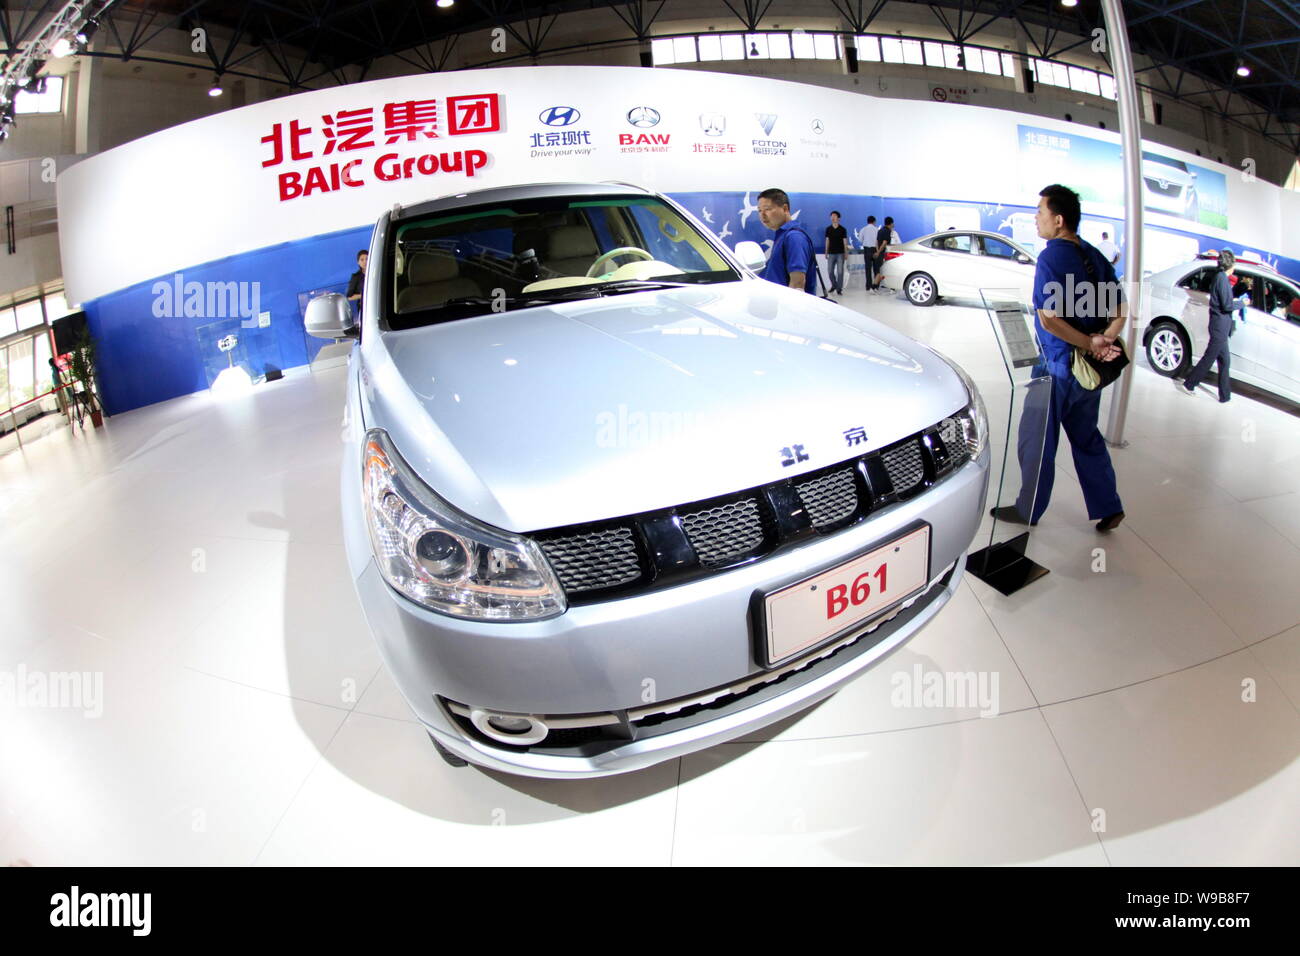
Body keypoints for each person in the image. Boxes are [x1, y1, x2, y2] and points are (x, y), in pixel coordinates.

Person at [991, 184, 1126, 533]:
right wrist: (1102, 340)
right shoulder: (1095, 256)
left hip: (1057, 367)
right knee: (1086, 437)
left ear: (1059, 219)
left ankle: (1028, 509)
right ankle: (1108, 505)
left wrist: (1085, 341)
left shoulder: (1051, 257)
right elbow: (1121, 309)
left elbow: (1049, 317)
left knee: (1036, 438)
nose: (1037, 219)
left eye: (1040, 212)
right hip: (1090, 373)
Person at [1177, 249, 1250, 403]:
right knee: (1209, 358)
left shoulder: (1221, 277)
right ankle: (1189, 384)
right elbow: (1227, 305)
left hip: (1221, 327)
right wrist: (1242, 303)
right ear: (1232, 264)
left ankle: (1225, 396)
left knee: (1225, 361)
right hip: (1219, 327)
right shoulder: (1222, 279)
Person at [756, 188, 817, 294]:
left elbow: (797, 284)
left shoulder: (794, 237)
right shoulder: (782, 235)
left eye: (767, 209)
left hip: (786, 307)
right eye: (759, 210)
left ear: (785, 209)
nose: (762, 215)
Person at [824, 211, 848, 295]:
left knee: (840, 272)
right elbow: (827, 241)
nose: (832, 217)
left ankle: (839, 288)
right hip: (831, 253)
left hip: (840, 253)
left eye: (834, 216)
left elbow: (845, 241)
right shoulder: (828, 229)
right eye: (831, 216)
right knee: (830, 271)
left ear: (838, 218)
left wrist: (846, 253)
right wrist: (826, 252)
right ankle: (834, 285)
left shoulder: (842, 229)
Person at [872, 216, 895, 292]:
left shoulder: (880, 230)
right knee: (881, 271)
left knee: (878, 271)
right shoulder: (887, 231)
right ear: (891, 223)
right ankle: (874, 287)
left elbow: (876, 242)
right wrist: (879, 252)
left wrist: (877, 251)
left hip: (878, 252)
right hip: (882, 253)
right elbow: (884, 243)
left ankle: (876, 287)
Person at [861, 215, 879, 292]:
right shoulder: (876, 229)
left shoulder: (863, 229)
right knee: (876, 269)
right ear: (874, 221)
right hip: (875, 249)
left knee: (868, 269)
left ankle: (868, 286)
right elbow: (878, 240)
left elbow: (860, 239)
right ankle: (876, 286)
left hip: (867, 249)